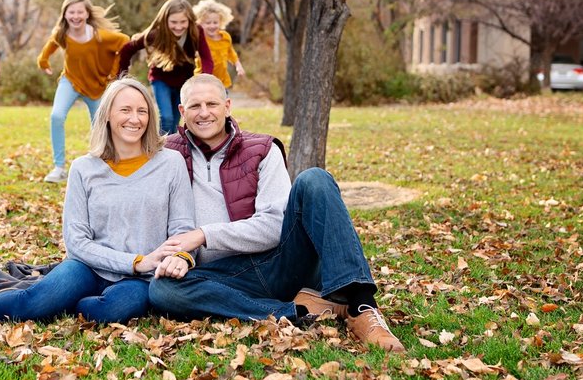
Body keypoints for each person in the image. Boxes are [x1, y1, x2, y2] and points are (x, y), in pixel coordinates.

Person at [148, 74, 406, 352]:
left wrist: (203, 235)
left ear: (228, 106)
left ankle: (361, 305)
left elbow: (273, 226)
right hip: (220, 277)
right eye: (195, 106)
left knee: (314, 179)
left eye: (212, 103)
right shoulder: (166, 155)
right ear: (182, 112)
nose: (204, 113)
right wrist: (181, 254)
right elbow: (165, 219)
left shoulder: (261, 150)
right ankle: (299, 309)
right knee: (162, 289)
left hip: (278, 263)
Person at [0, 78, 197, 324]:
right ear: (108, 114)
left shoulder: (170, 163)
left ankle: (71, 302)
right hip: (89, 268)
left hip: (141, 279)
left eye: (142, 111)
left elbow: (183, 228)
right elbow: (76, 242)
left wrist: (172, 259)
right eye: (125, 110)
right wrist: (136, 262)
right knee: (32, 304)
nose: (135, 119)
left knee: (110, 312)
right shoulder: (83, 168)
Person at [37, 0, 129, 184]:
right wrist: (43, 61)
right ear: (65, 14)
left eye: (80, 12)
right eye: (71, 12)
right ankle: (59, 167)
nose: (76, 16)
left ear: (87, 14)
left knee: (100, 125)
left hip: (96, 85)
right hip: (70, 82)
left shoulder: (99, 36)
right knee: (56, 116)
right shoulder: (61, 34)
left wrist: (113, 73)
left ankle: (100, 163)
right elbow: (47, 50)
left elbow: (125, 42)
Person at [118, 0, 214, 135]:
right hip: (161, 80)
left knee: (176, 119)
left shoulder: (196, 32)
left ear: (190, 20)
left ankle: (171, 149)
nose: (178, 26)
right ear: (165, 20)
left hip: (184, 82)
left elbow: (206, 58)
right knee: (167, 117)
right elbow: (127, 49)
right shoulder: (156, 34)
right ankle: (161, 149)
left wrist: (206, 79)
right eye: (173, 22)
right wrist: (123, 78)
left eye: (183, 22)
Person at [193, 0, 245, 91]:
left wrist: (238, 66)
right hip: (202, 81)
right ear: (200, 23)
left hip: (222, 82)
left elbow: (231, 53)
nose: (212, 26)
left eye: (215, 22)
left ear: (221, 22)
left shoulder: (225, 37)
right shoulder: (200, 40)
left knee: (223, 104)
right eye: (208, 23)